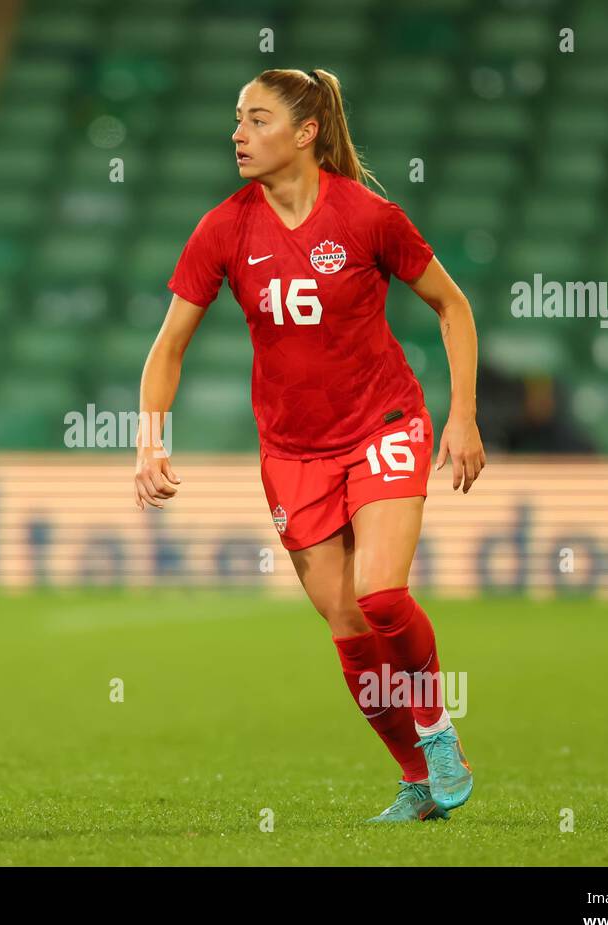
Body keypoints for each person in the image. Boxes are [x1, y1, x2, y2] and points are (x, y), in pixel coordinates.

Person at [134, 68, 486, 823]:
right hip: (294, 451)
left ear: (306, 133)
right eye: (236, 119)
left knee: (381, 596)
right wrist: (150, 443)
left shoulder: (368, 217)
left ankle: (436, 726)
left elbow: (452, 307)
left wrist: (462, 416)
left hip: (384, 422)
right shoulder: (223, 228)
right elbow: (168, 348)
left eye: (257, 120)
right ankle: (416, 779)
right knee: (349, 627)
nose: (237, 133)